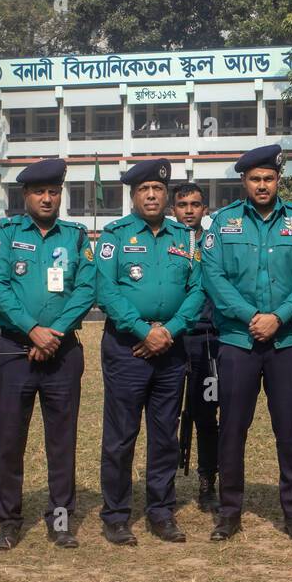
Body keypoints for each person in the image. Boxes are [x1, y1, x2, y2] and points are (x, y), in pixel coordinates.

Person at [199, 144, 292, 542]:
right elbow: (214, 278)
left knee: (289, 430)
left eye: (269, 178)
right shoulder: (221, 224)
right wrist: (251, 318)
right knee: (232, 428)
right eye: (255, 179)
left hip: (288, 342)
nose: (262, 185)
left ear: (278, 180)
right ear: (243, 182)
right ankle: (229, 512)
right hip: (238, 340)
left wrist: (279, 317)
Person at [0, 158, 96, 551]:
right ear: (25, 196)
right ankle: (9, 522)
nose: (47, 198)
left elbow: (86, 289)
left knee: (61, 441)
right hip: (14, 351)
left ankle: (61, 520)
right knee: (10, 440)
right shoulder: (7, 233)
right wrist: (33, 330)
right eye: (39, 192)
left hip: (62, 353)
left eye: (53, 191)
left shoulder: (76, 237)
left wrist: (55, 333)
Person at [97, 159, 204, 545]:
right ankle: (116, 514)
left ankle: (161, 512)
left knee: (165, 435)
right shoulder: (114, 235)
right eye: (144, 189)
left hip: (171, 350)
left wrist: (169, 331)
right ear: (133, 195)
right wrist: (144, 330)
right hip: (128, 349)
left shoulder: (185, 238)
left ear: (167, 195)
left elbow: (197, 290)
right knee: (121, 436)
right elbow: (106, 291)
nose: (152, 195)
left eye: (158, 189)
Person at [172, 182, 221, 512]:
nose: (189, 210)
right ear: (172, 209)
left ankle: (207, 482)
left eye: (195, 204)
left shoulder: (217, 244)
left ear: (206, 209)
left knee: (207, 413)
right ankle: (164, 483)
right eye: (182, 204)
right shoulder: (165, 243)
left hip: (209, 342)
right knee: (167, 414)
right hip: (174, 340)